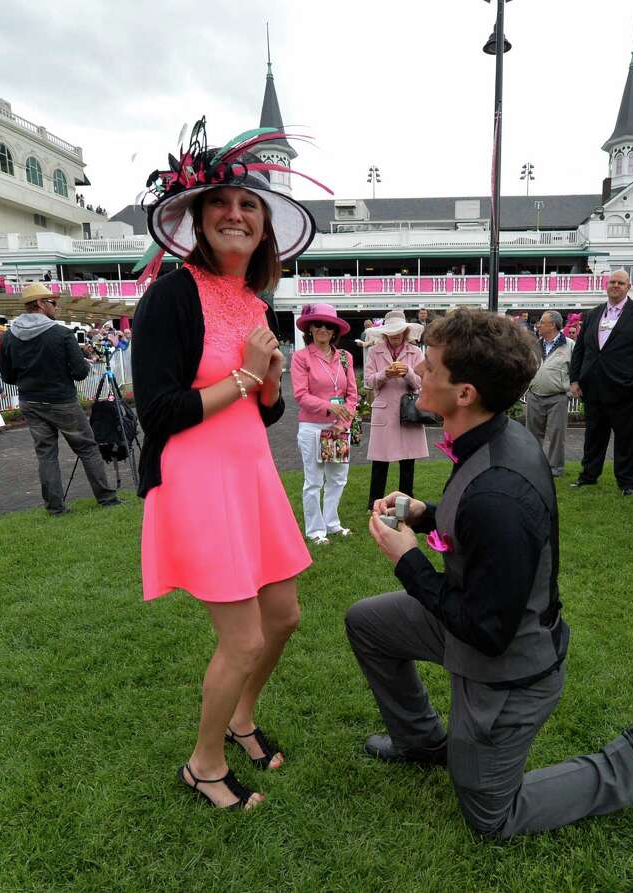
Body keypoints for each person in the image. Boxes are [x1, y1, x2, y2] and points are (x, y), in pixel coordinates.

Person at [349, 308, 633, 840]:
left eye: (432, 368)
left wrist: (409, 560)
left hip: (506, 664)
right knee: (369, 623)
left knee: (491, 817)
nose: (420, 374)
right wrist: (424, 513)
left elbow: (487, 629)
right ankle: (422, 741)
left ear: (464, 393)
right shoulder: (494, 436)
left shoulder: (498, 489)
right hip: (477, 620)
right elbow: (475, 520)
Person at [131, 117, 322, 811]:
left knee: (285, 616)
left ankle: (241, 717)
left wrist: (265, 383)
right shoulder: (172, 296)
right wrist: (245, 377)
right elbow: (157, 409)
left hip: (250, 475)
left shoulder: (254, 302)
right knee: (241, 636)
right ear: (197, 219)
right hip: (196, 479)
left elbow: (264, 410)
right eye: (221, 204)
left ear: (264, 228)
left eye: (248, 206)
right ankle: (203, 762)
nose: (235, 214)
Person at [0, 282, 119, 516]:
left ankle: (55, 508)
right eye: (53, 303)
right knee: (87, 448)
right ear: (41, 304)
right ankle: (106, 498)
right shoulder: (61, 333)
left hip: (30, 400)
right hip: (61, 400)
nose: (56, 307)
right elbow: (80, 373)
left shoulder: (9, 336)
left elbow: (7, 375)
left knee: (46, 453)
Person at [569, 270, 633, 495]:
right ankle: (589, 475)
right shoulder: (593, 314)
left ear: (628, 287)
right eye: (612, 282)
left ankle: (628, 482)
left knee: (626, 437)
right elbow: (581, 349)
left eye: (620, 283)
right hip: (592, 386)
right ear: (606, 285)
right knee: (593, 434)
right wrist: (575, 379)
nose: (615, 286)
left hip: (626, 386)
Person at [291, 302, 359, 544]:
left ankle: (332, 524)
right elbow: (300, 394)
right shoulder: (301, 358)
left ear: (334, 331)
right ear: (310, 329)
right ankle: (315, 530)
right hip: (312, 427)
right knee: (314, 481)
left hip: (339, 428)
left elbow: (353, 394)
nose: (322, 329)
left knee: (338, 478)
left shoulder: (344, 357)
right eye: (317, 324)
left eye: (327, 325)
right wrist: (328, 406)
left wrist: (344, 420)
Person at [363, 309, 428, 508]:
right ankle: (374, 502)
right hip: (384, 410)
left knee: (408, 461)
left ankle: (406, 501)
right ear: (385, 334)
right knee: (380, 461)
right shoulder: (374, 352)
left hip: (408, 411)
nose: (395, 336)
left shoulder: (416, 352)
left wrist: (407, 372)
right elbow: (368, 381)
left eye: (399, 332)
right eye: (391, 333)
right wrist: (385, 374)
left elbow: (420, 382)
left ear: (406, 332)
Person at [525, 309, 572, 477]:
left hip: (557, 398)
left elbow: (575, 371)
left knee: (557, 436)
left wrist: (571, 391)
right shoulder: (535, 346)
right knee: (532, 435)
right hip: (534, 396)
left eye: (542, 322)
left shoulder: (569, 345)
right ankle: (533, 466)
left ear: (552, 325)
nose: (538, 325)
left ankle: (555, 469)